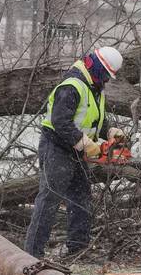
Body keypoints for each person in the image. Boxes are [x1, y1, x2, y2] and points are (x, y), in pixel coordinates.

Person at [24, 46, 125, 258]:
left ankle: (78, 249)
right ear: (97, 68)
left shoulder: (94, 86)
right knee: (49, 198)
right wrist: (84, 142)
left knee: (81, 198)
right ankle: (32, 254)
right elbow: (60, 121)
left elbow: (93, 118)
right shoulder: (72, 85)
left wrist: (110, 131)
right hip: (57, 146)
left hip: (75, 149)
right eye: (106, 75)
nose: (106, 80)